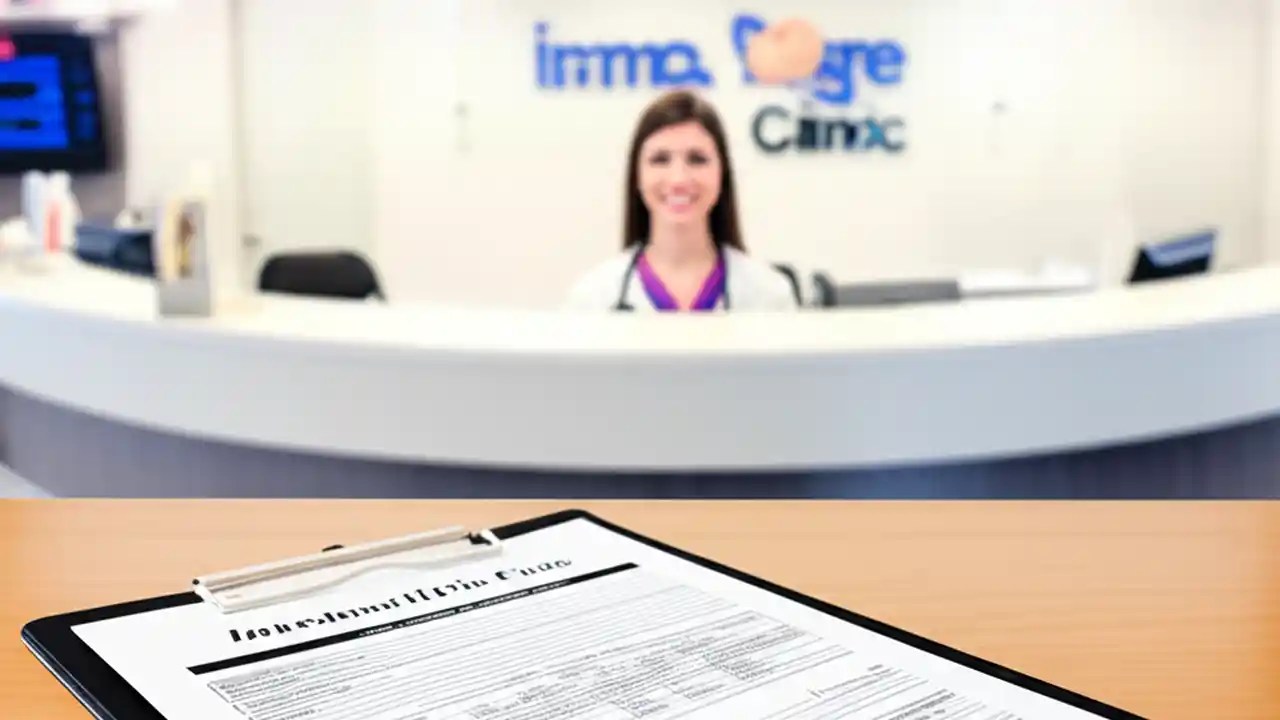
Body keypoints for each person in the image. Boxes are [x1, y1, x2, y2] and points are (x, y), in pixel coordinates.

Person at [566, 90, 799, 312]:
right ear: (637, 175)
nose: (678, 178)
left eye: (697, 159)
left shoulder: (769, 296)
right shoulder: (594, 298)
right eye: (660, 160)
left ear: (722, 173)